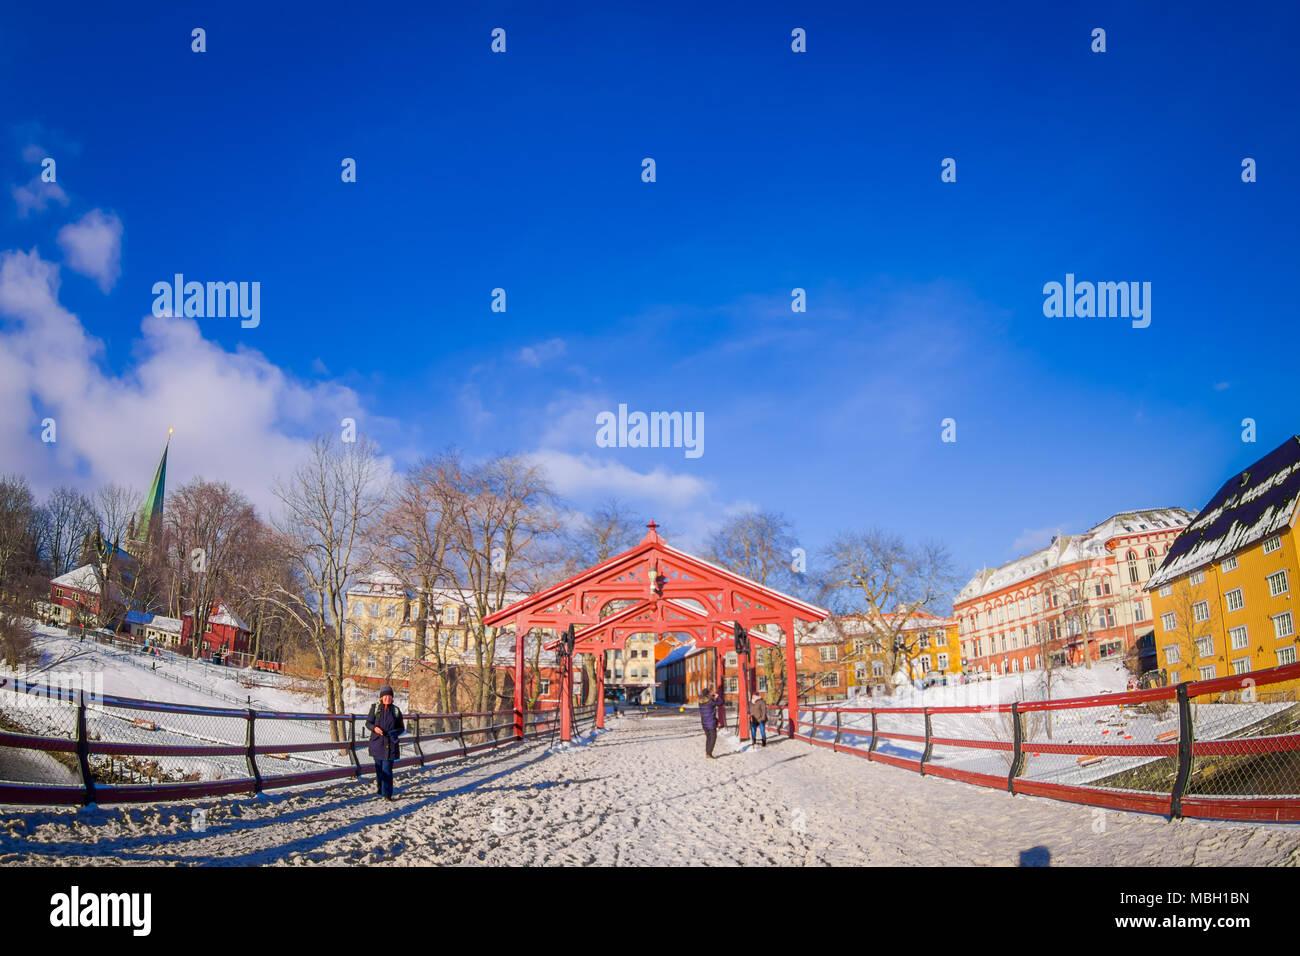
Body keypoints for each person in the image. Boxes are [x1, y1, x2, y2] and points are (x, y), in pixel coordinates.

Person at [365, 684, 404, 801]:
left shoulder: (396, 710)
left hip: (390, 744)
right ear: (381, 697)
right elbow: (368, 723)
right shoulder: (375, 708)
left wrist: (393, 733)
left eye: (389, 696)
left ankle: (387, 794)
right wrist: (374, 728)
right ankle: (380, 789)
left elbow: (401, 728)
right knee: (379, 769)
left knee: (387, 769)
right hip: (377, 743)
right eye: (385, 696)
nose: (388, 698)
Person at [698, 688, 719, 759]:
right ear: (708, 694)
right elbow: (720, 703)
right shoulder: (711, 701)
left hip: (704, 723)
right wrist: (717, 697)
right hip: (711, 722)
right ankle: (709, 753)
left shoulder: (700, 702)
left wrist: (712, 698)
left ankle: (707, 752)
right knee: (713, 737)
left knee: (708, 737)